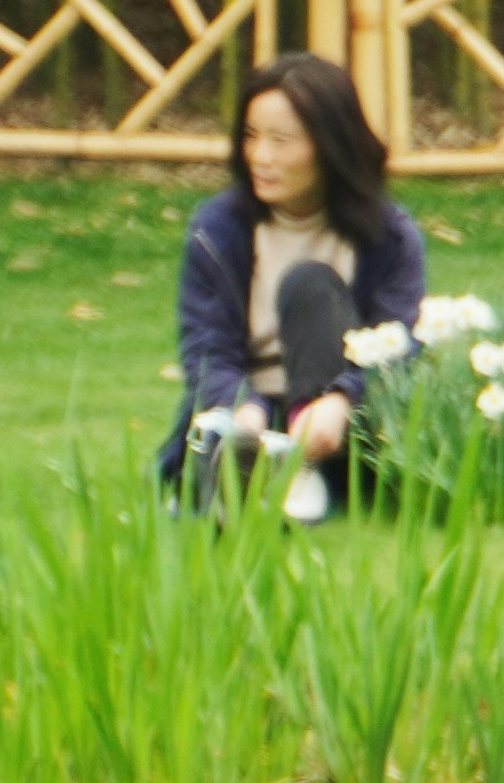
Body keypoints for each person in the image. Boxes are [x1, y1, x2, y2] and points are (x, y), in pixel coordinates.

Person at [161, 51, 430, 510]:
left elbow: (398, 343)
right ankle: (245, 471)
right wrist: (243, 412)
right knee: (223, 440)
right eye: (250, 137)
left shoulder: (389, 236)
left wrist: (343, 399)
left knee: (309, 286)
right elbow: (206, 347)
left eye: (281, 141)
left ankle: (298, 473)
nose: (260, 157)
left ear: (330, 144)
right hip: (244, 412)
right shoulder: (217, 230)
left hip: (338, 423)